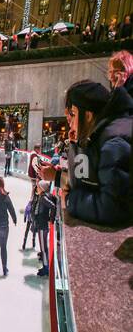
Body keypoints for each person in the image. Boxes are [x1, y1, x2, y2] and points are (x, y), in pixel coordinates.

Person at [49, 79, 132, 229]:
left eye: (73, 114)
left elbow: (111, 208)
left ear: (88, 116)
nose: (70, 122)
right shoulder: (102, 135)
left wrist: (69, 200)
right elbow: (85, 179)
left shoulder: (113, 143)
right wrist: (77, 145)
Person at [32, 181, 59, 277]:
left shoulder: (43, 198)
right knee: (43, 247)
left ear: (42, 188)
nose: (37, 188)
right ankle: (45, 265)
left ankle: (46, 268)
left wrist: (50, 220)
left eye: (38, 186)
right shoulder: (41, 196)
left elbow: (53, 206)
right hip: (41, 224)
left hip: (42, 225)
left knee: (43, 248)